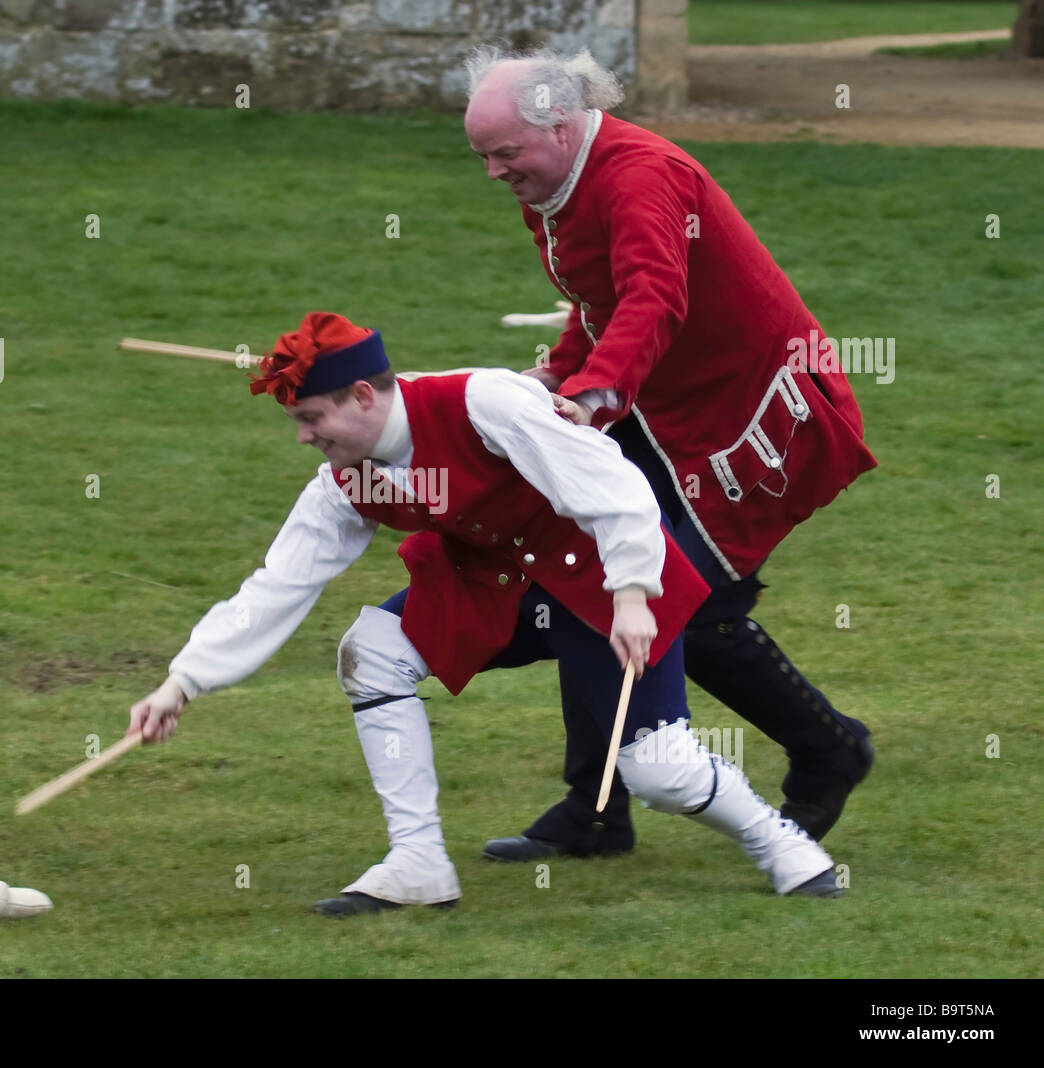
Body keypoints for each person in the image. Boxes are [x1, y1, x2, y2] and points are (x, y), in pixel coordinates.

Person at [127, 311, 843, 915]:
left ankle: (785, 846)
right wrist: (182, 682)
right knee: (371, 651)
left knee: (660, 772)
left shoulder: (488, 403)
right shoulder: (343, 483)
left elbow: (615, 485)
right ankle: (418, 863)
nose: (304, 436)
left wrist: (631, 596)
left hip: (598, 580)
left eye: (311, 418)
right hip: (494, 589)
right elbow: (275, 586)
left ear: (361, 397)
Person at [460, 47, 878, 862]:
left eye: (504, 153)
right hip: (666, 413)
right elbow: (600, 297)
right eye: (483, 156)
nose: (493, 173)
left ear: (561, 122)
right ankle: (597, 806)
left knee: (684, 603)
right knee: (593, 573)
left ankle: (830, 749)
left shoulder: (640, 174)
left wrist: (591, 394)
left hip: (758, 413)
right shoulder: (555, 184)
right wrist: (562, 369)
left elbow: (657, 295)